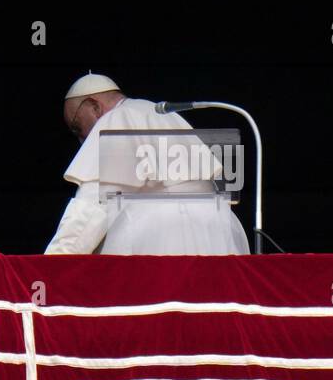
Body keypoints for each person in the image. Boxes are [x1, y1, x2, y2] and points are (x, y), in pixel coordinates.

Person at [44, 73, 251, 255]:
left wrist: (53, 262)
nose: (82, 141)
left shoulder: (117, 119)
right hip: (218, 235)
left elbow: (93, 206)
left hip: (164, 238)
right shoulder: (158, 112)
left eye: (77, 127)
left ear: (95, 107)